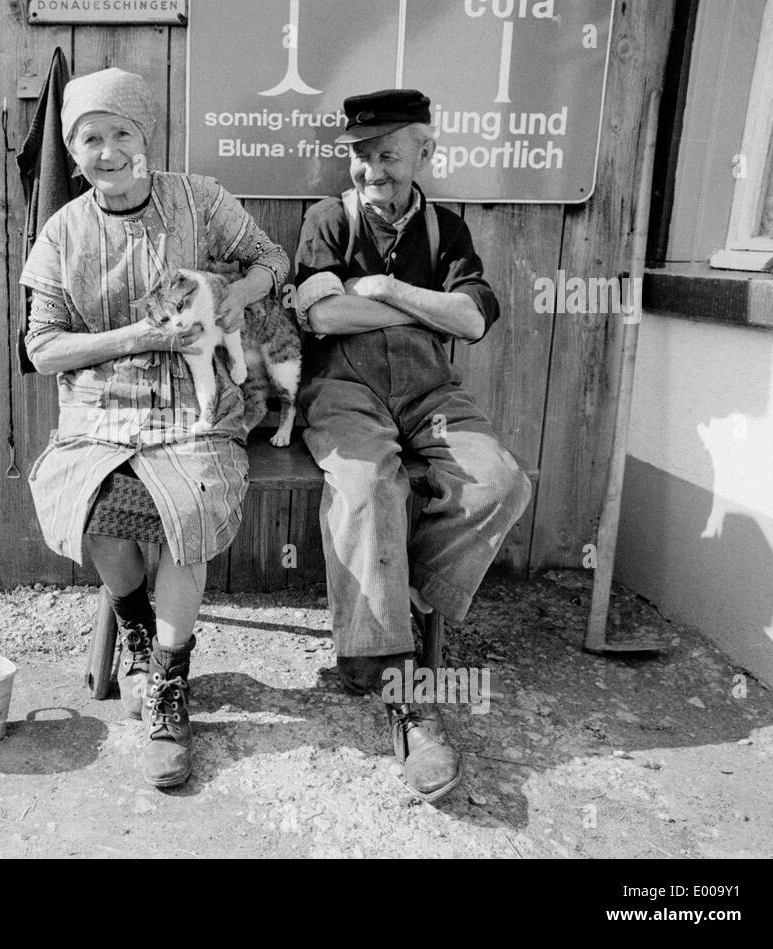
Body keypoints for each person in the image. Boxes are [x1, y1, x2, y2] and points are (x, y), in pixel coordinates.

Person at [20, 68, 289, 789]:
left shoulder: (199, 201)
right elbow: (41, 347)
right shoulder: (63, 231)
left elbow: (273, 259)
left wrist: (238, 290)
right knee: (91, 505)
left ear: (146, 140)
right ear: (74, 152)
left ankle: (169, 686)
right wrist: (137, 335)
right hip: (99, 409)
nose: (106, 152)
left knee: (189, 510)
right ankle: (137, 626)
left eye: (121, 135)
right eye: (90, 139)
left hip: (196, 404)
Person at [293, 89, 532, 802]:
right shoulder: (328, 219)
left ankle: (396, 604)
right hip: (346, 392)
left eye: (388, 153)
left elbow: (471, 320)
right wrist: (417, 305)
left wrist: (389, 284)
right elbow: (324, 313)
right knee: (368, 488)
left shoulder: (446, 230)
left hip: (431, 395)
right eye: (361, 154)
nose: (371, 169)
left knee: (500, 483)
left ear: (426, 152)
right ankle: (403, 691)